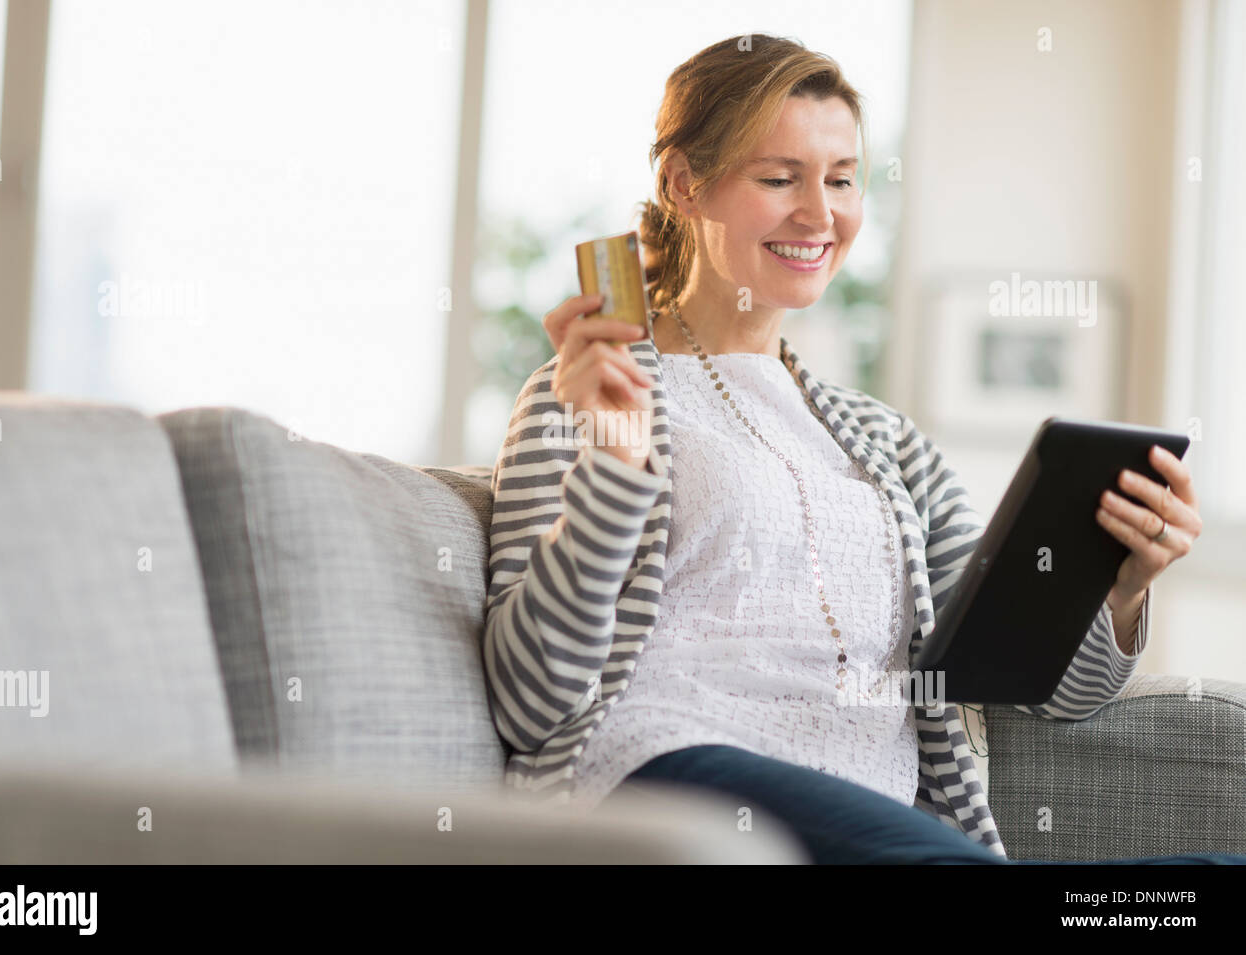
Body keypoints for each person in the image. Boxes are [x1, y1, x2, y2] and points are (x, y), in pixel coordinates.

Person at [482, 33, 1237, 864]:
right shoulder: (589, 393)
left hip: (867, 816)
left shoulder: (884, 440)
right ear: (682, 183)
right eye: (779, 179)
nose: (820, 213)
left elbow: (1045, 687)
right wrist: (615, 471)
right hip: (664, 773)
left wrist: (1123, 587)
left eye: (842, 179)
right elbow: (530, 698)